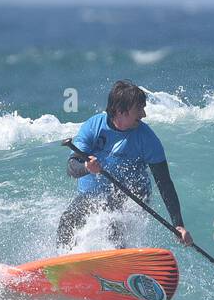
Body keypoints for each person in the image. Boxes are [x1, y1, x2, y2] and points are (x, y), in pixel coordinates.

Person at [57, 80, 194, 250]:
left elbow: (164, 183)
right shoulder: (94, 126)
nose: (143, 114)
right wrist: (86, 167)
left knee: (113, 225)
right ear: (120, 111)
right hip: (92, 195)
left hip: (130, 196)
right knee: (67, 221)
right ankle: (62, 265)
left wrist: (178, 224)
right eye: (139, 109)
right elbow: (71, 167)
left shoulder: (147, 139)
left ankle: (121, 264)